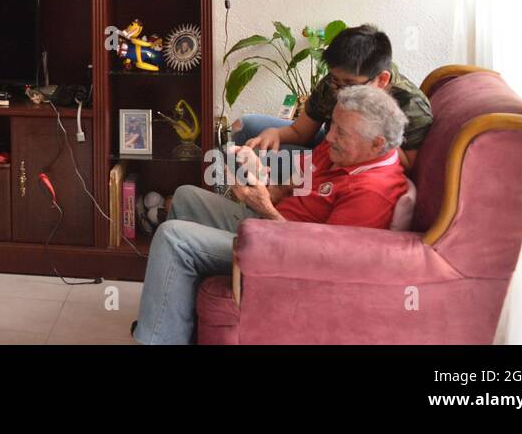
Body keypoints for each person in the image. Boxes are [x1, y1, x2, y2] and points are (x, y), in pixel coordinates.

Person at [132, 85, 409, 344]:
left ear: (377, 143)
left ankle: (157, 338)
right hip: (272, 225)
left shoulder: (373, 193)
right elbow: (302, 172)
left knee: (173, 238)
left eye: (341, 132)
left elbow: (321, 261)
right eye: (333, 125)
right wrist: (265, 180)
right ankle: (172, 322)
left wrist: (265, 207)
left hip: (282, 252)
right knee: (185, 196)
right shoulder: (348, 151)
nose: (330, 136)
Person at [233, 24, 433, 171]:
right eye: (336, 80)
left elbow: (407, 169)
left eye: (350, 84)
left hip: (348, 162)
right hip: (327, 147)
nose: (340, 91)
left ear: (381, 80)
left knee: (257, 159)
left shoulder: (411, 105)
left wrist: (368, 131)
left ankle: (254, 215)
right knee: (246, 128)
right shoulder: (334, 83)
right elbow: (300, 132)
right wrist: (275, 134)